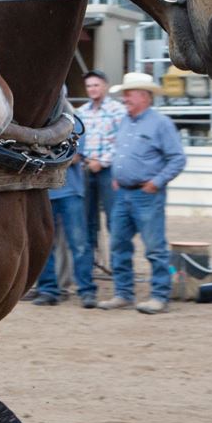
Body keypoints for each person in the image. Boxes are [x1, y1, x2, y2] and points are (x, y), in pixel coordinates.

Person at [104, 71, 185, 314]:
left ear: (144, 96)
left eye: (129, 94)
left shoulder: (161, 124)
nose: (125, 98)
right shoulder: (126, 120)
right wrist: (118, 177)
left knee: (154, 247)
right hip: (124, 193)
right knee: (118, 244)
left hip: (146, 194)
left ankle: (159, 295)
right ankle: (123, 293)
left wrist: (157, 182)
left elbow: (177, 158)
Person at [27, 155, 94, 308]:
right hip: (44, 193)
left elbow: (74, 157)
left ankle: (86, 290)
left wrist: (43, 158)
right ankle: (48, 291)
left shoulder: (77, 129)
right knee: (45, 245)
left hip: (70, 192)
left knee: (79, 244)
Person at [75, 70, 122, 282]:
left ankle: (117, 265)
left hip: (107, 170)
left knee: (114, 219)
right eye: (89, 86)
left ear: (105, 86)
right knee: (88, 220)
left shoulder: (117, 110)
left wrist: (101, 162)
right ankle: (93, 264)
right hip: (86, 169)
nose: (92, 89)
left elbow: (122, 143)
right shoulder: (82, 112)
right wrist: (86, 161)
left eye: (96, 85)